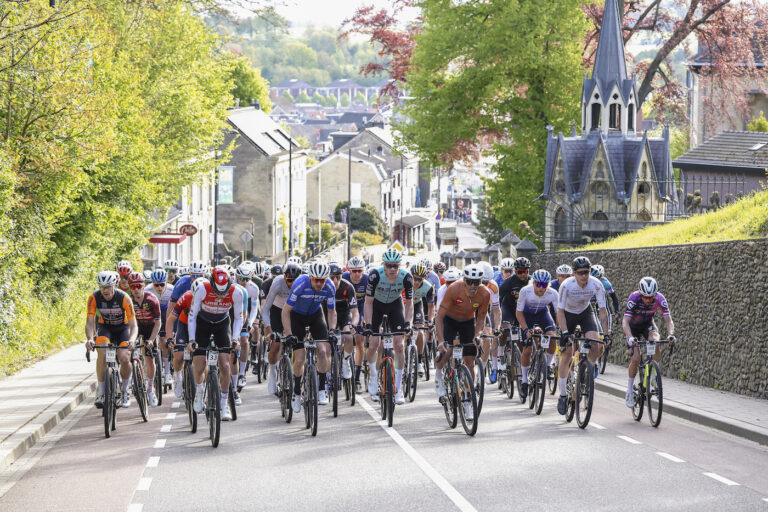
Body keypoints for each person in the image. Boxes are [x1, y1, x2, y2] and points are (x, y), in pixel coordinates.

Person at [555, 256, 611, 415]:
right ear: (574, 273)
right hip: (568, 314)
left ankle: (586, 370)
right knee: (566, 354)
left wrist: (606, 334)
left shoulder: (596, 284)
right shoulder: (566, 286)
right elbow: (559, 311)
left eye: (586, 272)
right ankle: (563, 395)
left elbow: (602, 311)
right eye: (580, 273)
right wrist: (565, 333)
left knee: (598, 345)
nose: (584, 276)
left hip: (585, 313)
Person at [187, 266, 245, 422]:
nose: (220, 296)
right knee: (200, 365)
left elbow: (239, 318)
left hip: (222, 324)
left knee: (225, 365)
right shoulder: (202, 289)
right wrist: (192, 340)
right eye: (217, 292)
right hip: (203, 324)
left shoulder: (236, 292)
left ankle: (224, 404)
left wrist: (235, 339)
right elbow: (192, 316)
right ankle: (199, 393)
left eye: (223, 292)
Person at [434, 264, 490, 420]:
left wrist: (477, 335)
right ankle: (438, 375)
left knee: (470, 361)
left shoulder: (484, 294)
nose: (473, 285)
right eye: (470, 281)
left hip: (467, 322)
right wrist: (441, 340)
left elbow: (481, 318)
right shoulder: (454, 289)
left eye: (476, 282)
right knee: (447, 351)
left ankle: (466, 399)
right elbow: (439, 317)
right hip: (449, 321)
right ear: (464, 280)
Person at [281, 261, 337, 412]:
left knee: (324, 351)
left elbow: (331, 312)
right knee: (299, 359)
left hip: (315, 315)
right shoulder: (300, 284)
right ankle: (297, 392)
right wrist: (288, 334)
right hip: (296, 316)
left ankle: (321, 388)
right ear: (310, 277)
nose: (319, 283)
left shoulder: (330, 287)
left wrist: (332, 330)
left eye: (322, 280)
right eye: (316, 280)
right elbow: (285, 311)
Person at [363, 248, 414, 404]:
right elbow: (368, 302)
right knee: (373, 344)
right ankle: (373, 376)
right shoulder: (374, 275)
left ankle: (398, 388)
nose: (392, 269)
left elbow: (409, 303)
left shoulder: (407, 277)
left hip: (395, 305)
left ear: (399, 266)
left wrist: (408, 323)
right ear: (384, 265)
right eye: (389, 265)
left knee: (399, 345)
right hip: (376, 306)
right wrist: (369, 324)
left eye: (395, 266)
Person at [85, 271, 138, 409]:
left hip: (123, 329)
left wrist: (132, 339)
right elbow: (90, 323)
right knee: (102, 354)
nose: (105, 290)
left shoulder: (125, 298)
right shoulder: (94, 298)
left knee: (124, 357)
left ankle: (125, 391)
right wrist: (90, 339)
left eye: (108, 287)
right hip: (105, 328)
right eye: (102, 287)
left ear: (115, 285)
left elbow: (133, 325)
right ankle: (101, 392)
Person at [622, 277, 676, 408]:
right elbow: (625, 322)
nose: (647, 299)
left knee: (656, 340)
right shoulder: (634, 298)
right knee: (636, 358)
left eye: (650, 297)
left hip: (647, 325)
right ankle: (629, 390)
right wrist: (630, 338)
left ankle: (652, 373)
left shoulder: (660, 298)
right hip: (633, 328)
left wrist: (671, 335)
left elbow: (668, 320)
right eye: (645, 297)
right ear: (640, 293)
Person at [515, 269, 559, 400]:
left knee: (552, 335)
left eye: (544, 285)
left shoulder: (553, 293)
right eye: (538, 284)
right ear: (533, 283)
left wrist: (561, 329)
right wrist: (525, 329)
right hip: (527, 316)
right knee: (527, 349)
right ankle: (524, 381)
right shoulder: (525, 291)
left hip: (542, 314)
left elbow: (558, 313)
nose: (541, 288)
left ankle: (549, 365)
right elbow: (519, 313)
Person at [263, 263, 301, 396]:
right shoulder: (278, 283)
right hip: (277, 310)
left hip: (293, 310)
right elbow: (266, 308)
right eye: (289, 280)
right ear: (284, 277)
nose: (292, 284)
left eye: (295, 281)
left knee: (298, 343)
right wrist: (269, 329)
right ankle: (272, 373)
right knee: (276, 344)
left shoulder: (302, 283)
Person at [127, 272, 162, 406]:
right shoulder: (128, 301)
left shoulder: (152, 299)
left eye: (139, 286)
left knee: (149, 357)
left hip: (150, 327)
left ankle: (150, 388)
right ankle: (133, 377)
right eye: (133, 286)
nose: (136, 289)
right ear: (130, 288)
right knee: (128, 351)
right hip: (135, 327)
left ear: (143, 286)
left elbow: (158, 323)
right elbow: (126, 323)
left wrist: (152, 340)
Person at [328, 263, 358, 381]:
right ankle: (328, 366)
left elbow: (355, 311)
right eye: (332, 278)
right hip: (328, 314)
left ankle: (346, 361)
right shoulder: (323, 287)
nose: (335, 280)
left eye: (338, 277)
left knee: (349, 337)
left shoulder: (348, 287)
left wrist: (353, 324)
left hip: (344, 313)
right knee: (326, 341)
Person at [342, 256, 368, 392]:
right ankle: (342, 361)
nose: (357, 274)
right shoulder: (343, 277)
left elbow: (370, 301)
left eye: (360, 271)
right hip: (347, 308)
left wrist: (365, 319)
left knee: (359, 342)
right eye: (354, 271)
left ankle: (357, 378)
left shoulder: (367, 279)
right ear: (349, 270)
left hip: (362, 308)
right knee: (345, 335)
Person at [147, 269, 175, 388]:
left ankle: (168, 373)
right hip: (152, 314)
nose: (159, 287)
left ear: (166, 282)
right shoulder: (147, 290)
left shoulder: (172, 289)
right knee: (149, 342)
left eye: (162, 284)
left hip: (166, 313)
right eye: (156, 285)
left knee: (164, 342)